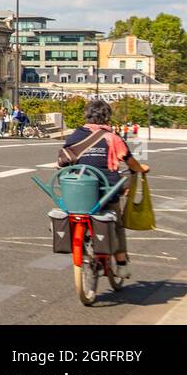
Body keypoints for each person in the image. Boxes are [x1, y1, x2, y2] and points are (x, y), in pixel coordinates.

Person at [59, 99, 150, 277]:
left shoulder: (75, 136)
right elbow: (130, 161)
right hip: (105, 190)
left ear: (87, 115)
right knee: (117, 225)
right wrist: (141, 169)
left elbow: (62, 161)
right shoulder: (113, 138)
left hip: (79, 191)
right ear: (107, 117)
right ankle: (122, 264)